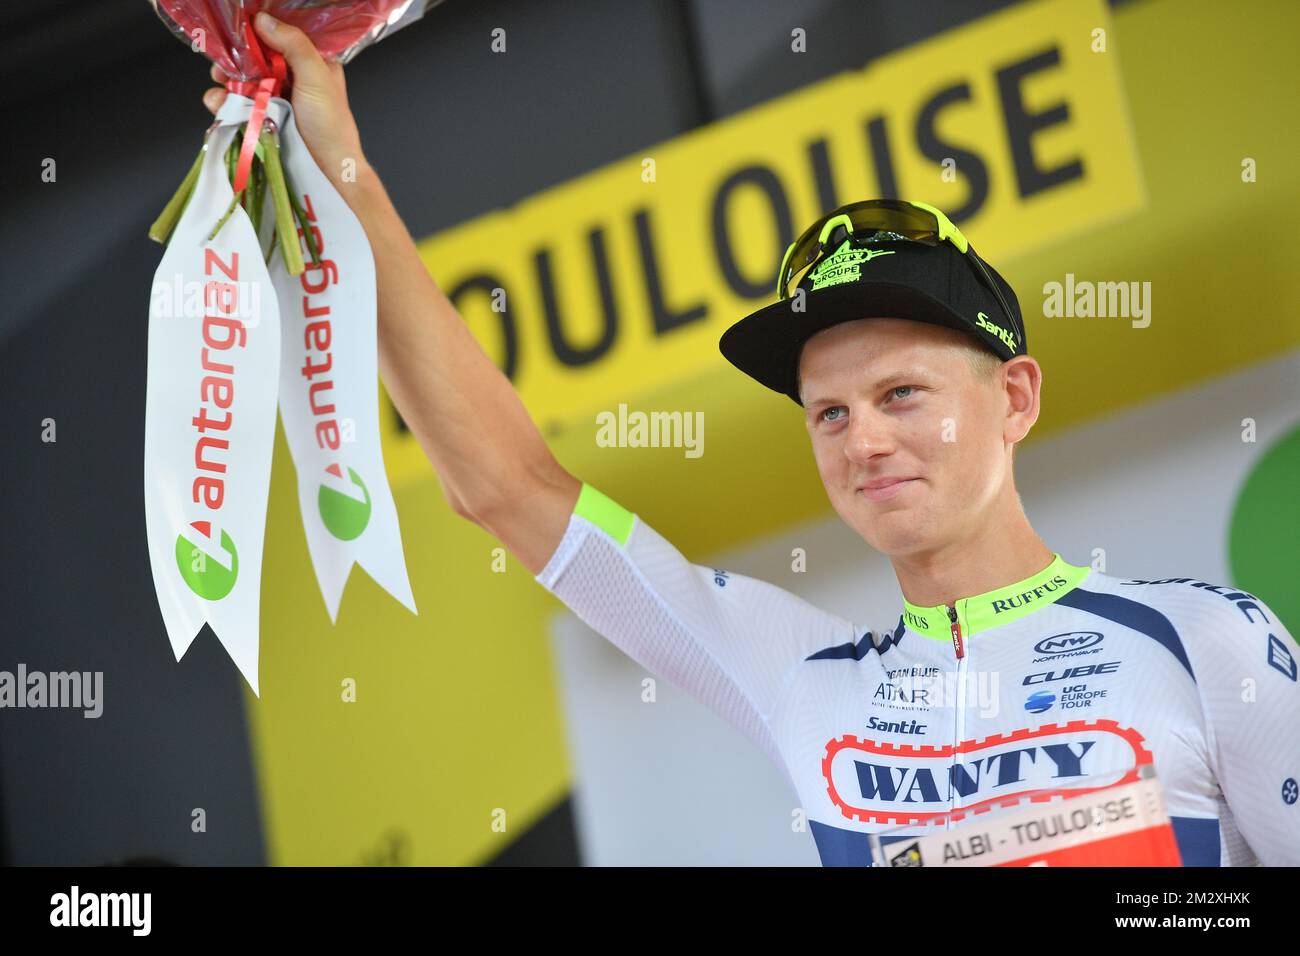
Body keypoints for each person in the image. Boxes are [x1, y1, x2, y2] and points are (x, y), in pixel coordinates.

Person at [204, 12, 1300, 867]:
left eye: (902, 392)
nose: (862, 436)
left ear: (1015, 395)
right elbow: (507, 485)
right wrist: (332, 173)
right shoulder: (804, 679)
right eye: (828, 411)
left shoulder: (1204, 645)